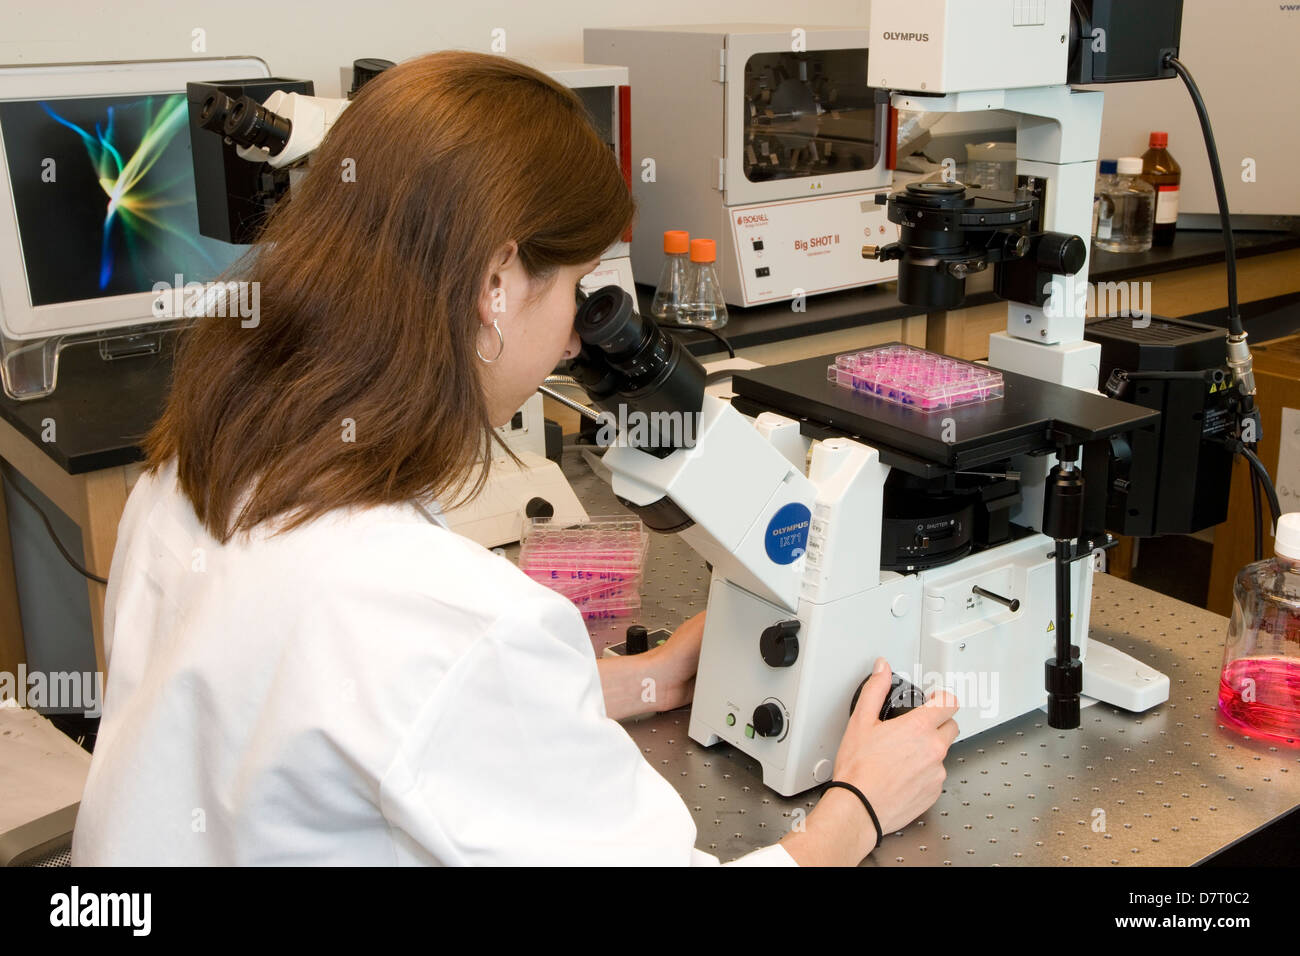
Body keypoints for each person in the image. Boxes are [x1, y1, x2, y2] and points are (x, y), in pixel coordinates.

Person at [71, 51, 958, 866]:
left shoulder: (193, 474)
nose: (579, 332)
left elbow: (353, 725)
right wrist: (857, 808)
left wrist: (645, 678)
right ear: (496, 285)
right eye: (577, 286)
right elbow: (434, 687)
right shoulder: (454, 622)